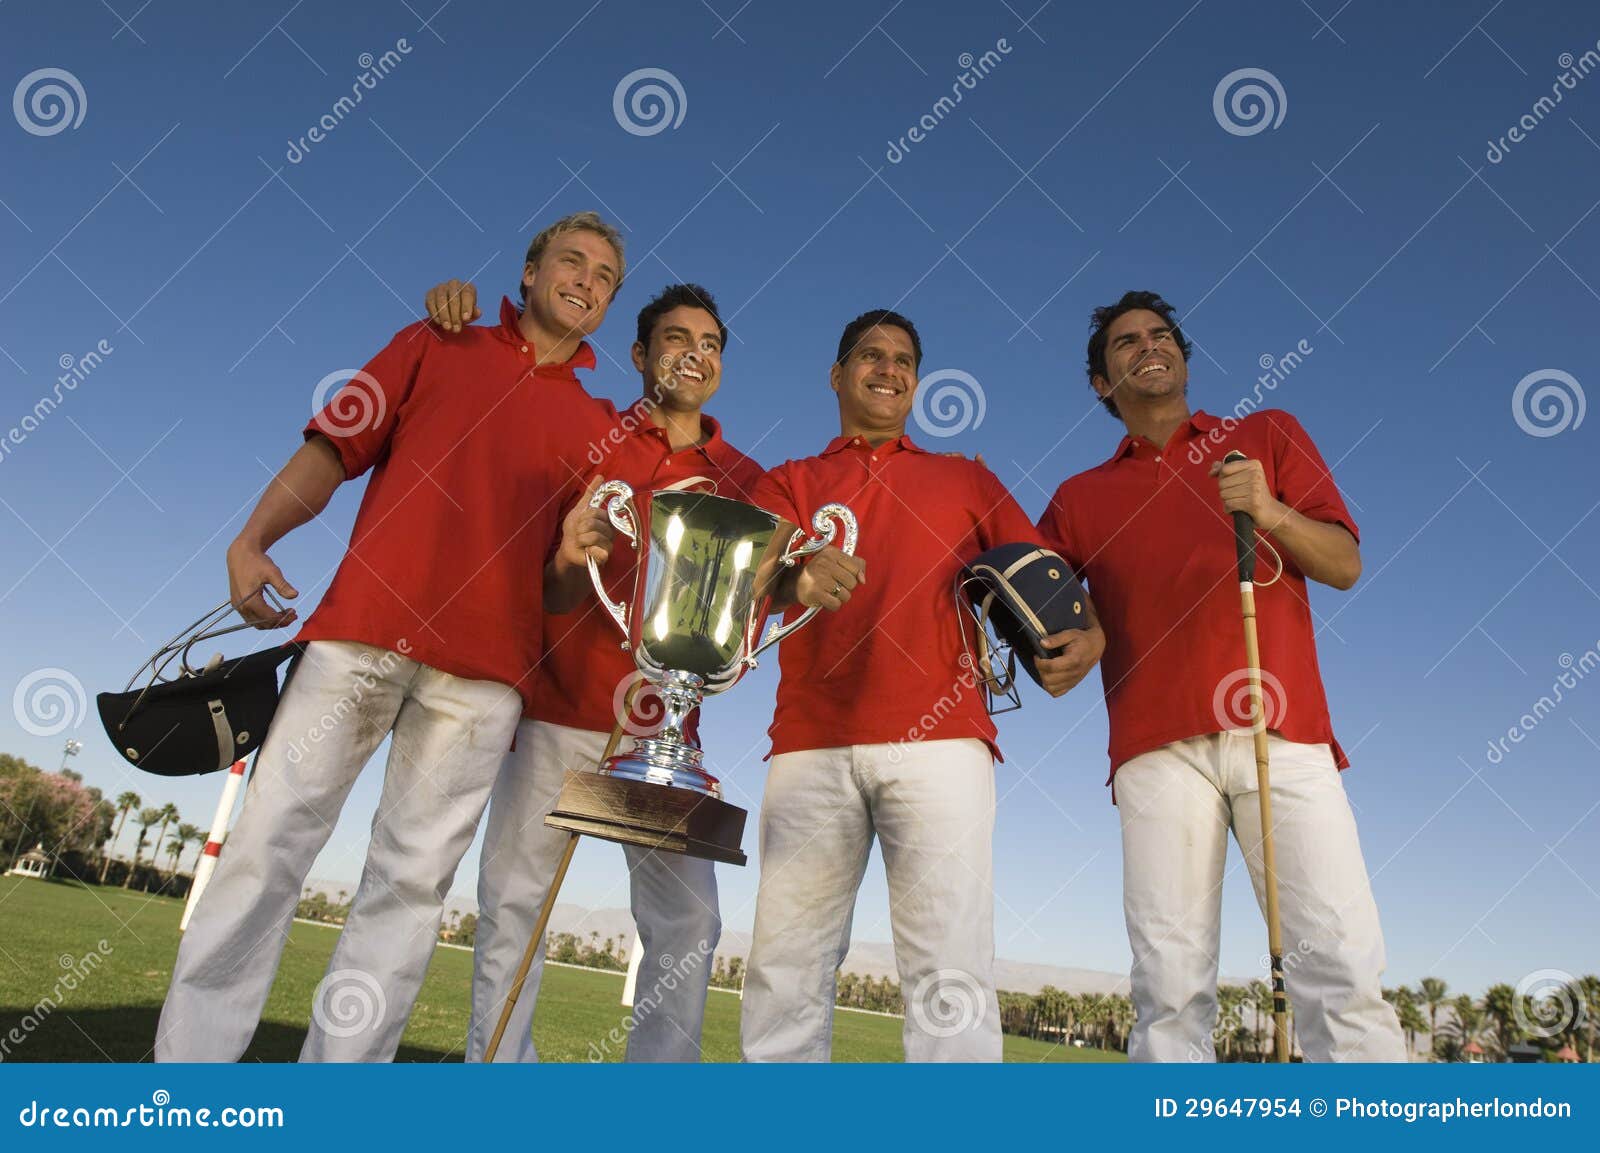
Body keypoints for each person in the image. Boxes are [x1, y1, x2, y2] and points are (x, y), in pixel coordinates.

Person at [155, 211, 624, 1062]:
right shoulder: (435, 339)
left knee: (409, 886)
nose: (587, 280)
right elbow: (335, 446)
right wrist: (254, 537)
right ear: (529, 272)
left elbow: (561, 586)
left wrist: (567, 556)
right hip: (362, 635)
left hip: (483, 681)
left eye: (605, 276)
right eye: (572, 260)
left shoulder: (602, 428)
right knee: (267, 845)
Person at [1037, 290, 1405, 1062]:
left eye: (1160, 334)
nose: (1149, 345)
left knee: (1338, 965)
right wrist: (1084, 629)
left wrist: (1269, 510)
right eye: (1126, 342)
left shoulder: (1264, 434)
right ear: (1101, 383)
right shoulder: (1077, 498)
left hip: (1284, 730)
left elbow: (1344, 563)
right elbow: (1047, 604)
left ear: (1182, 355)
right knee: (1168, 989)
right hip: (1154, 748)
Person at [739, 309, 1104, 1062]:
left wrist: (1090, 631)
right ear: (837, 375)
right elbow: (746, 580)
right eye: (871, 355)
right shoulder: (790, 479)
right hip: (810, 740)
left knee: (949, 967)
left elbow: (1045, 575)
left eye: (904, 359)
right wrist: (795, 579)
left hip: (943, 743)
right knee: (785, 963)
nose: (889, 369)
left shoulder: (966, 477)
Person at [421, 276, 764, 1061]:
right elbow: (538, 563)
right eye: (677, 338)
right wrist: (463, 324)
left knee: (688, 919)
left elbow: (760, 605)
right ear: (640, 354)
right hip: (558, 705)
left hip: (666, 733)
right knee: (515, 900)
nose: (696, 354)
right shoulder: (588, 434)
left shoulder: (748, 480)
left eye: (711, 344)